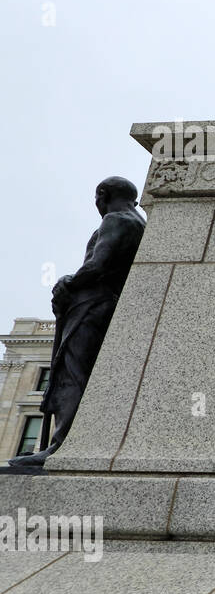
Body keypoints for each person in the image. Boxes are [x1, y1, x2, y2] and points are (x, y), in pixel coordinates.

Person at [10, 177, 146, 468]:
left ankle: (59, 447)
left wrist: (67, 283)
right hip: (106, 304)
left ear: (102, 195)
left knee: (72, 374)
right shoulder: (139, 222)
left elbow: (98, 264)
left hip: (91, 304)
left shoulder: (115, 219)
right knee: (81, 375)